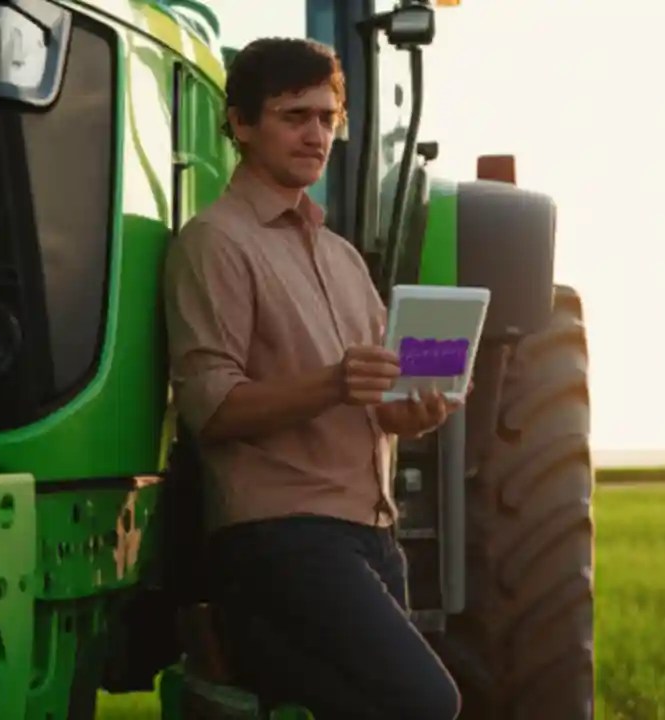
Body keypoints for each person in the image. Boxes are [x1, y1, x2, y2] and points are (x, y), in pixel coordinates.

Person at [162, 37, 463, 720]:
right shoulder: (214, 242)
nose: (316, 134)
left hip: (372, 531)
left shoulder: (343, 258)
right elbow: (209, 407)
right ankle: (230, 662)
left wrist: (411, 411)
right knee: (424, 702)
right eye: (294, 116)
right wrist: (333, 382)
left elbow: (375, 401)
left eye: (327, 118)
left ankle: (238, 676)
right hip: (281, 534)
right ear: (240, 124)